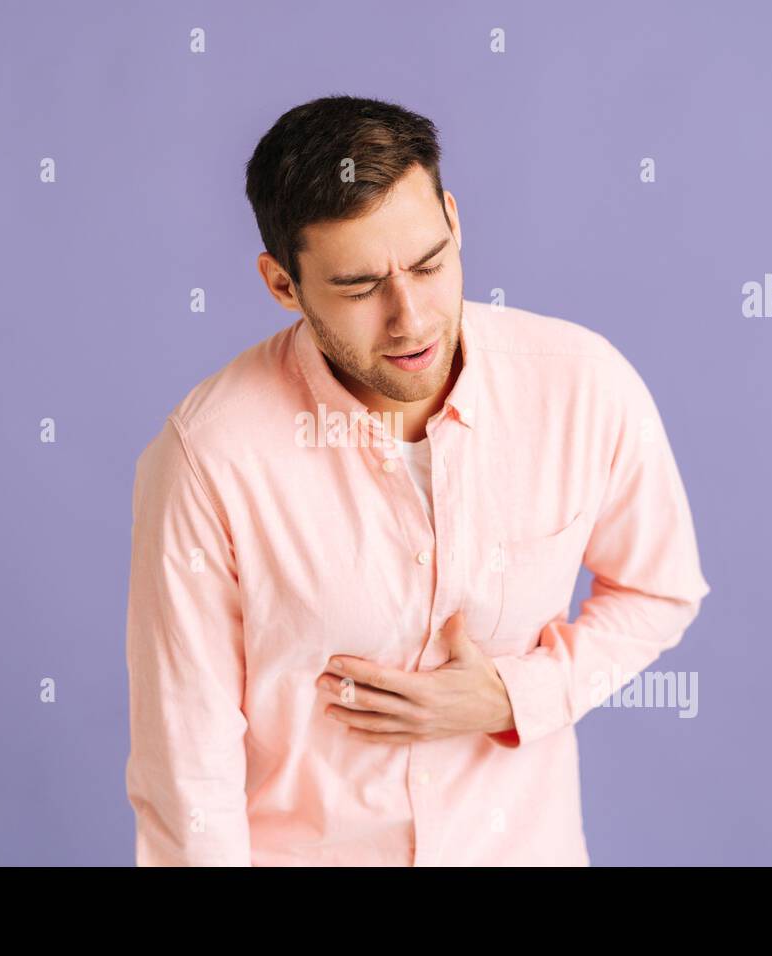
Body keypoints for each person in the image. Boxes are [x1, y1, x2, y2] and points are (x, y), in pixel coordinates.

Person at [124, 94, 711, 866]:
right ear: (281, 284)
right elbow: (187, 769)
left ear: (455, 221)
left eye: (431, 264)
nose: (411, 318)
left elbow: (658, 591)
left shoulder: (581, 385)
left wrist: (513, 696)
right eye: (361, 286)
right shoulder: (208, 458)